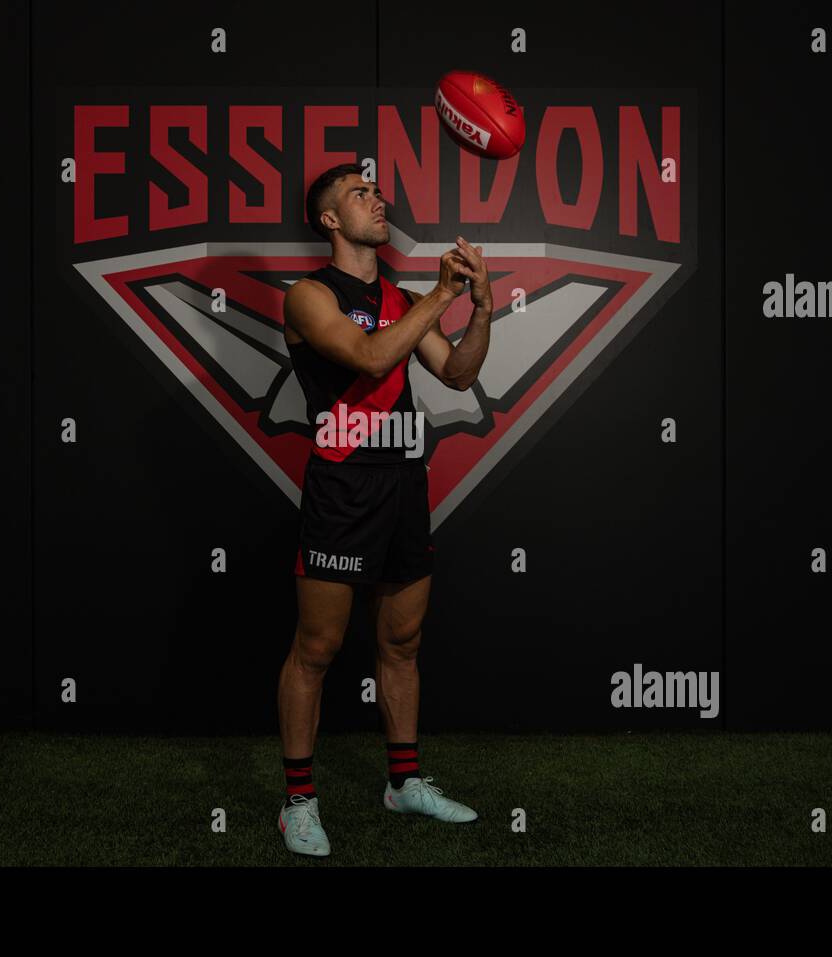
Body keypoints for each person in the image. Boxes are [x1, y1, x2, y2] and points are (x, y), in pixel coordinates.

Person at [275, 163, 493, 857]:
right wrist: (440, 294)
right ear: (331, 220)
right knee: (318, 649)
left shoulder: (400, 297)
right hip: (341, 488)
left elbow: (458, 373)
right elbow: (370, 358)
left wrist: (479, 306)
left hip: (402, 485)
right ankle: (299, 802)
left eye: (377, 191)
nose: (379, 200)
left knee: (401, 644)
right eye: (359, 195)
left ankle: (403, 782)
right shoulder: (308, 297)